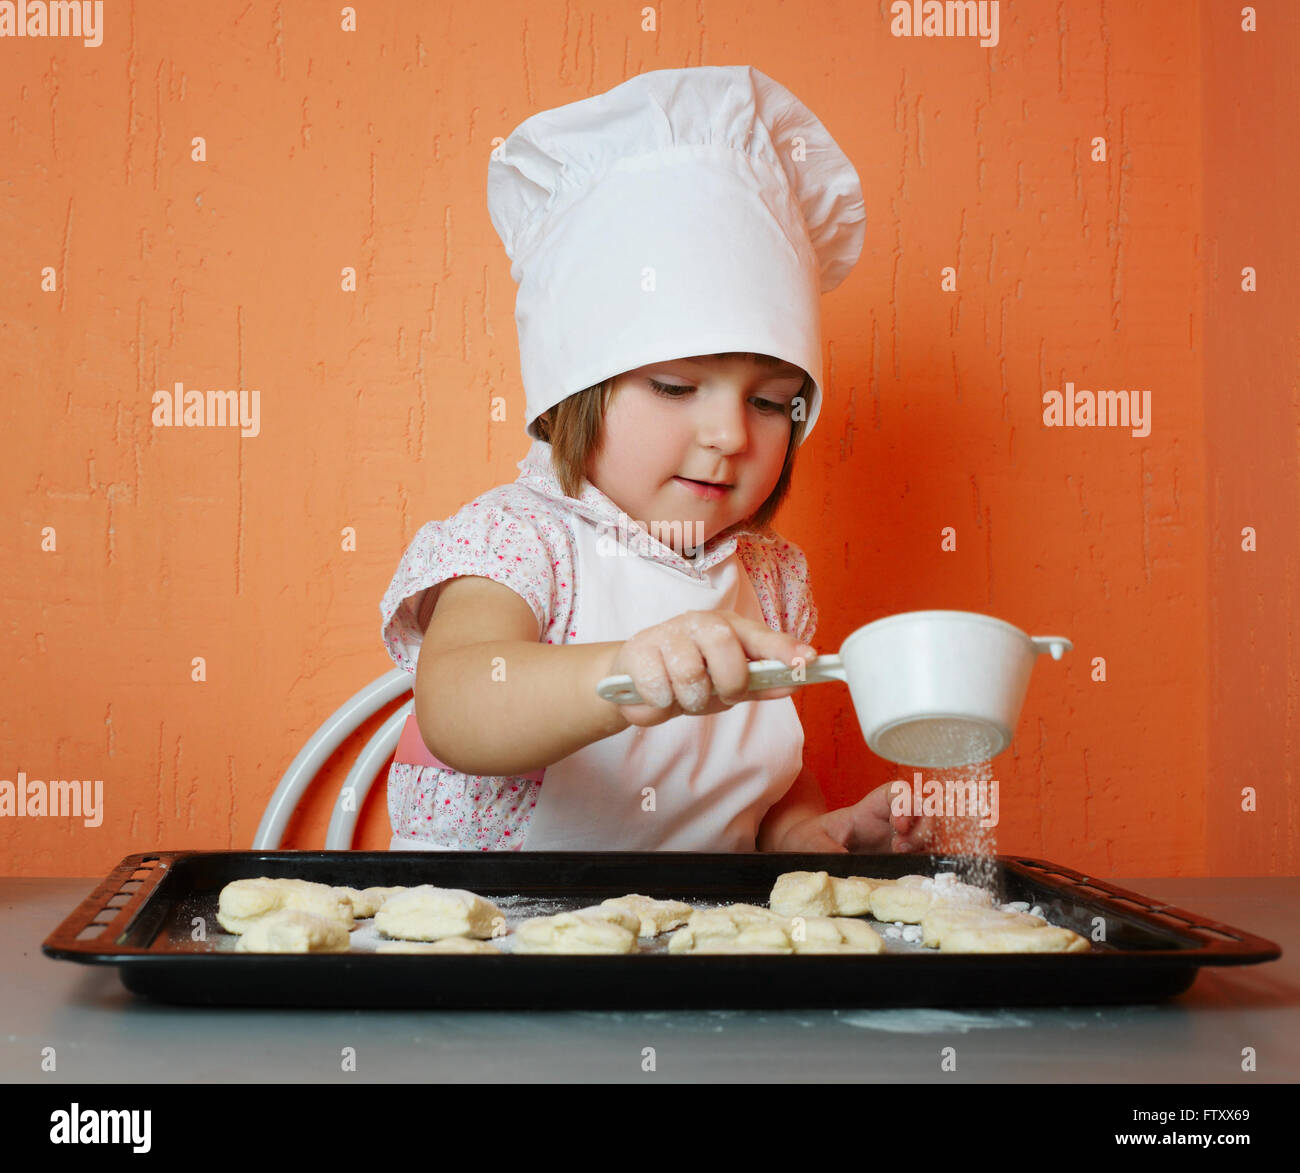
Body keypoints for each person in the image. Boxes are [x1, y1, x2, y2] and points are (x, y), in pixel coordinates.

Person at [379, 65, 932, 854]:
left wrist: (814, 833)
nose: (731, 435)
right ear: (573, 391)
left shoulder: (770, 582)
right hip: (500, 924)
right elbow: (459, 703)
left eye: (770, 402)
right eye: (676, 387)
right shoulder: (519, 541)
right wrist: (626, 673)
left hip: (695, 929)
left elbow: (761, 787)